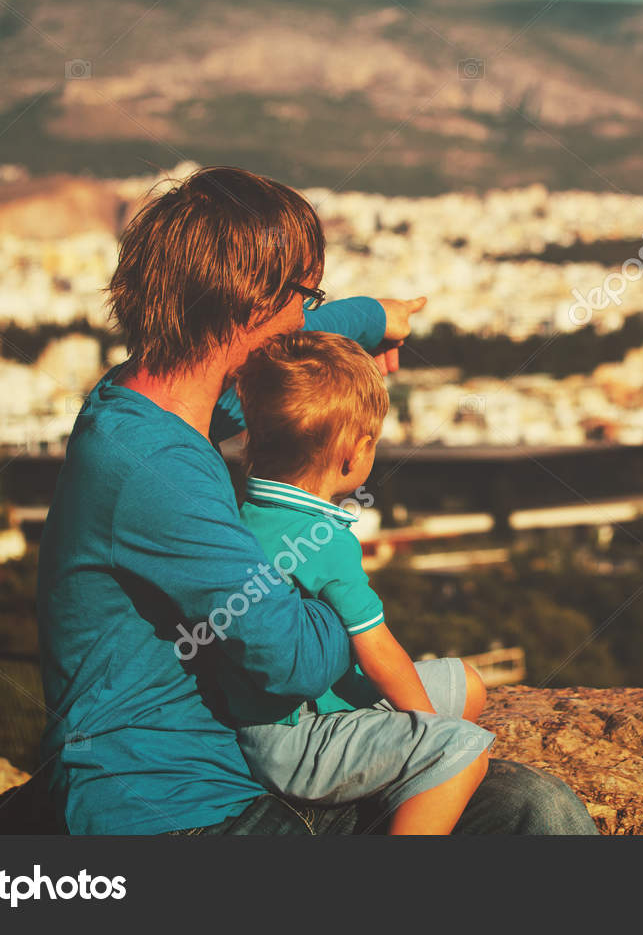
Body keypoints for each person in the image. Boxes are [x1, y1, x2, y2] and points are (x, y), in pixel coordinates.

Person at [36, 165, 596, 835]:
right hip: (175, 808)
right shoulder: (156, 469)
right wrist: (347, 604)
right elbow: (289, 655)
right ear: (249, 302)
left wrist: (372, 319)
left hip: (238, 760)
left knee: (539, 808)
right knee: (534, 817)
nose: (307, 314)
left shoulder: (153, 399)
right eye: (303, 294)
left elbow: (292, 362)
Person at [229, 331, 494, 834]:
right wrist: (429, 731)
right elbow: (377, 651)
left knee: (469, 685)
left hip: (282, 722)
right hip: (298, 740)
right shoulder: (324, 538)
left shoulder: (241, 514)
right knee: (461, 746)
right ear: (354, 454)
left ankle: (414, 785)